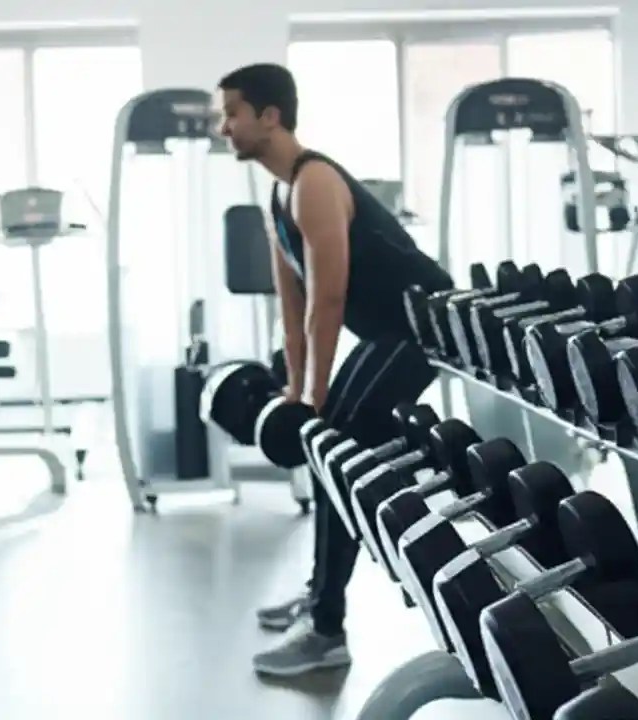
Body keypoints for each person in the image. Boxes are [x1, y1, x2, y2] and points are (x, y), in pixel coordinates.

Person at [217, 63, 455, 678]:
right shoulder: (277, 193)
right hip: (388, 332)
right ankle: (322, 595)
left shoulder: (314, 182)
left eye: (232, 113)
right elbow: (291, 305)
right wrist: (297, 391)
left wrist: (315, 401)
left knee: (336, 448)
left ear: (269, 117)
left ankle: (326, 628)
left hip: (424, 325)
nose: (225, 127)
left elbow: (329, 296)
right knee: (330, 448)